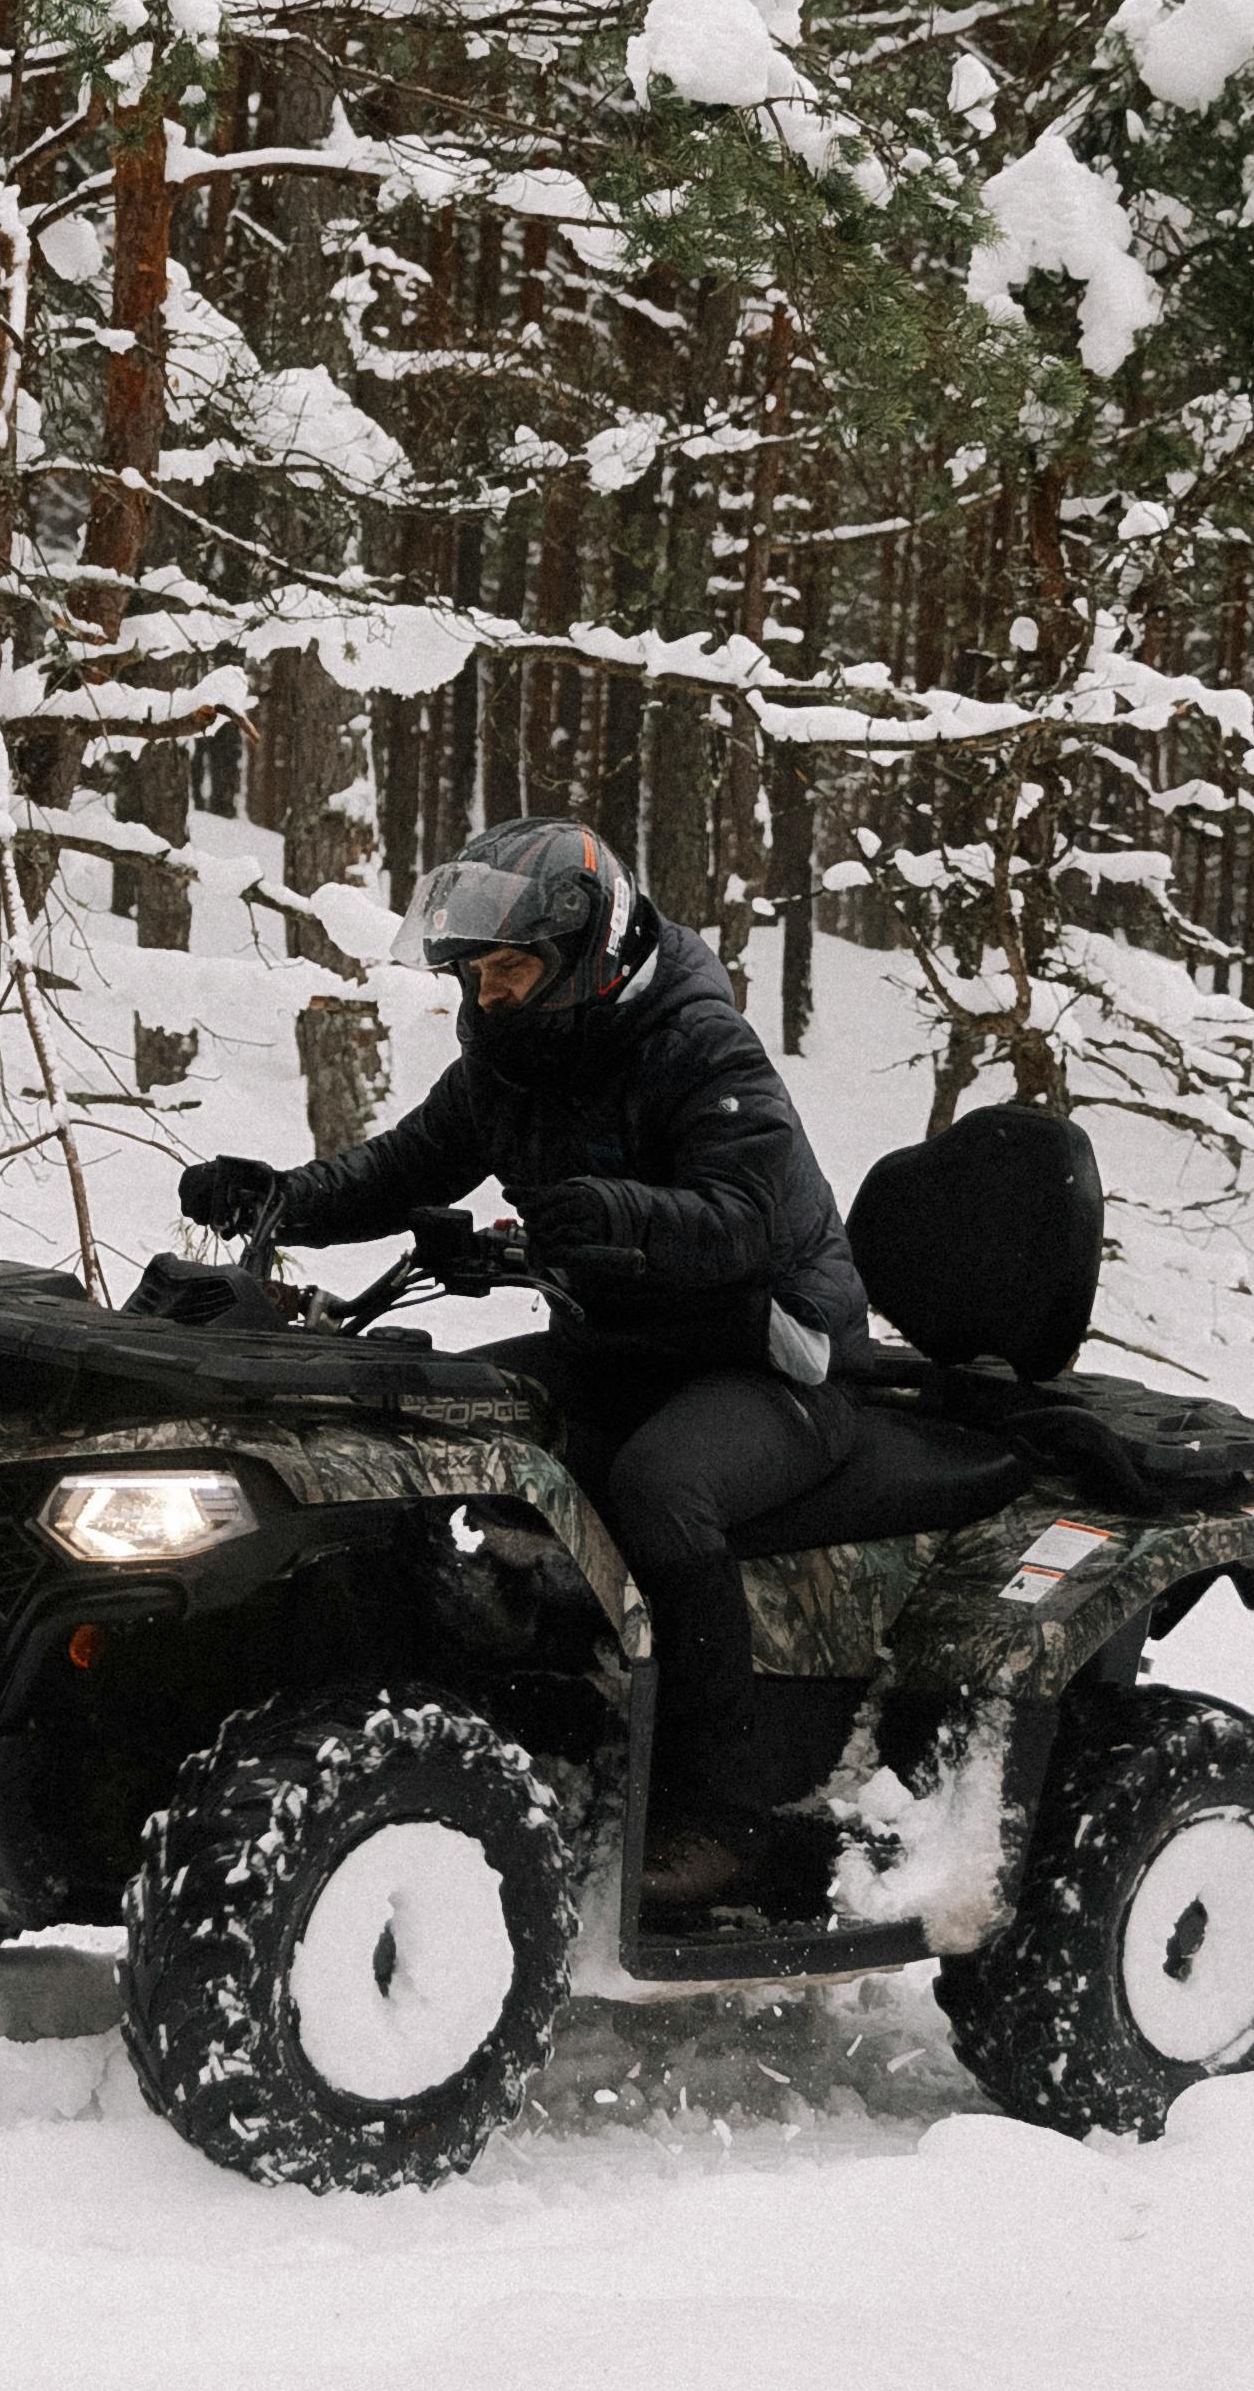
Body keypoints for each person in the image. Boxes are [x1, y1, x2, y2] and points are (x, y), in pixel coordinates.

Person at [178, 812, 874, 1911]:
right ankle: (489, 1719)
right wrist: (282, 1198)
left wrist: (619, 1215)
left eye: (509, 968)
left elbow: (743, 1217)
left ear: (584, 953)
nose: (488, 991)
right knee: (429, 1419)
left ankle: (719, 1812)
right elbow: (403, 1165)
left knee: (662, 1489)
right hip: (623, 1346)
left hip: (772, 1355)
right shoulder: (515, 1059)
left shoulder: (700, 1044)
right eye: (476, 971)